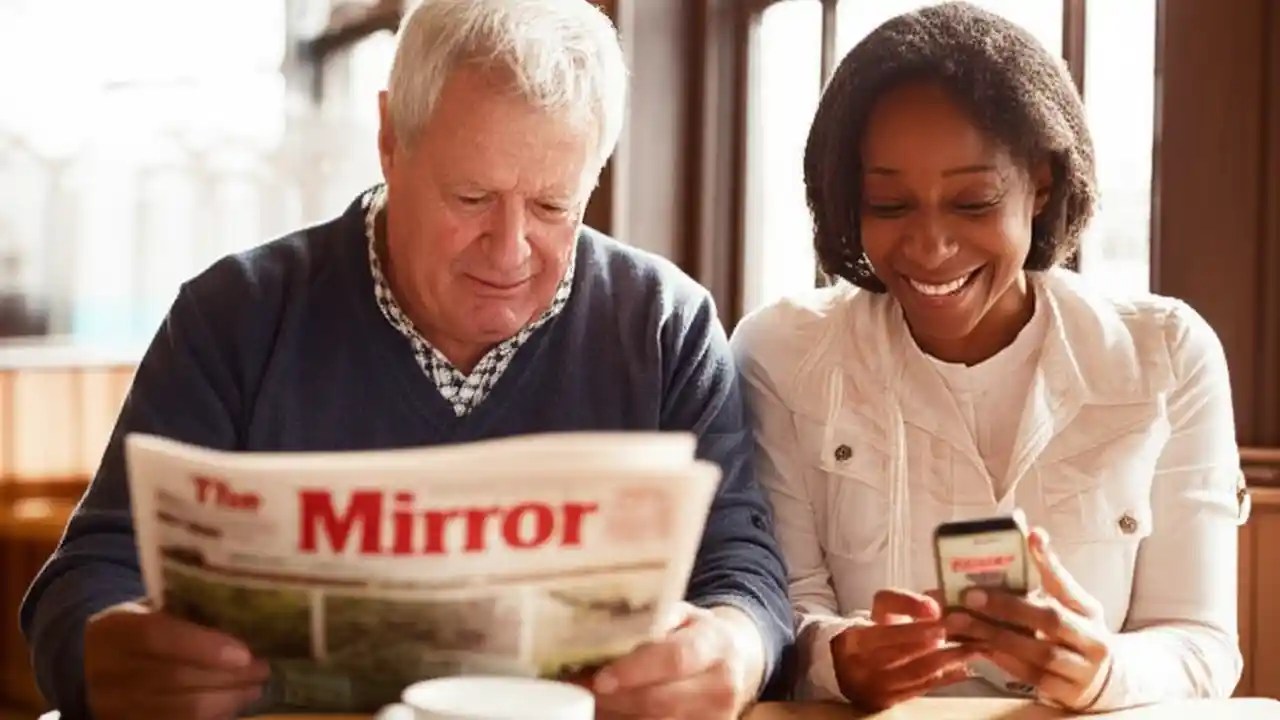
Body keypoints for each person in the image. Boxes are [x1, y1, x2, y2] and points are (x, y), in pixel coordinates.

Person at [20, 1, 792, 718]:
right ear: (390, 138)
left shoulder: (666, 324)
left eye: (555, 205)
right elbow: (88, 577)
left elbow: (744, 568)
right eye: (471, 198)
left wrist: (733, 646)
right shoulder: (236, 316)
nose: (511, 248)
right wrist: (103, 651)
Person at [731, 1, 1247, 713]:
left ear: (1039, 185)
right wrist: (835, 660)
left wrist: (1104, 669)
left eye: (973, 202)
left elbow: (1201, 643)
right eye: (889, 204)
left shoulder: (1164, 355)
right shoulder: (781, 354)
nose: (931, 246)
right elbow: (780, 610)